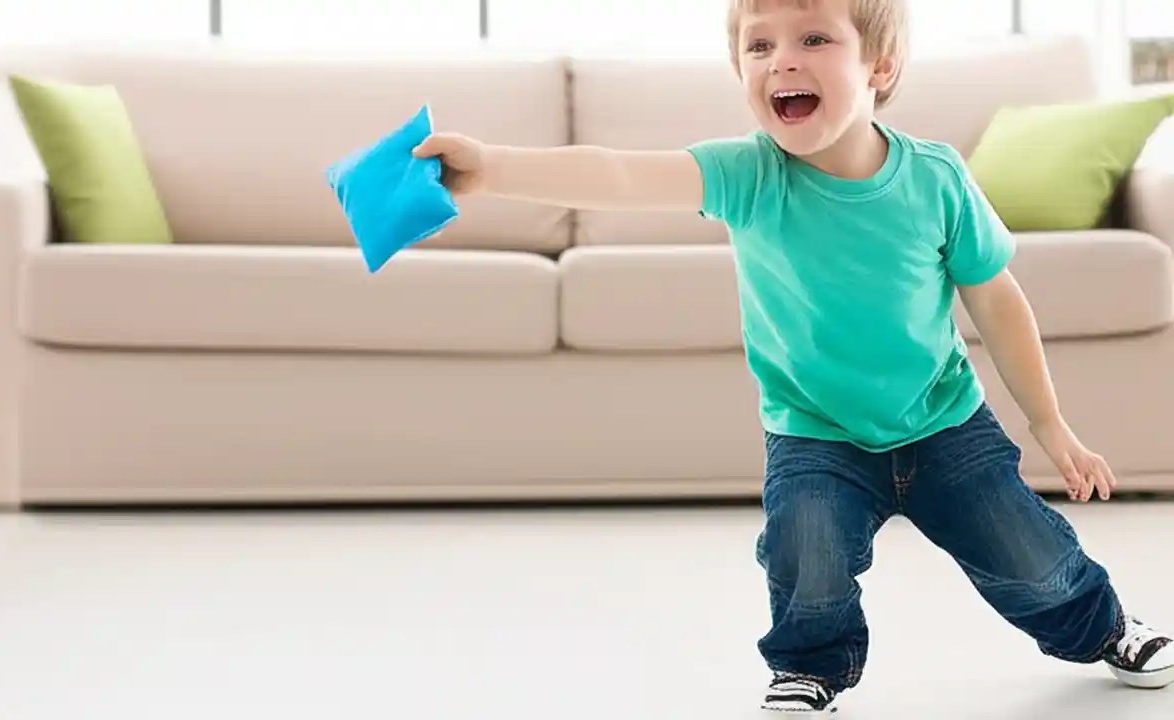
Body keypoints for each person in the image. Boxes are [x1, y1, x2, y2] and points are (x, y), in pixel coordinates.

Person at [412, 0, 1174, 714]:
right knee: (804, 549)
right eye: (759, 45)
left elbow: (997, 300)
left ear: (879, 65)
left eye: (813, 39)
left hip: (945, 425)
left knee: (1027, 554)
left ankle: (1103, 627)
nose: (782, 60)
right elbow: (618, 173)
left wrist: (1050, 423)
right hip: (815, 433)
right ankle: (809, 666)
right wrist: (491, 167)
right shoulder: (749, 176)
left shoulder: (936, 178)